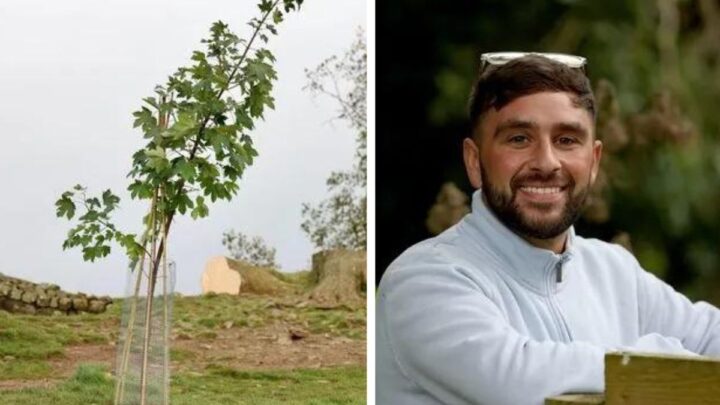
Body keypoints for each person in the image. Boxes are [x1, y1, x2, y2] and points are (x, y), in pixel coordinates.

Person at [375, 53, 720, 405]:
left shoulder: (613, 271)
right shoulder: (423, 280)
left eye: (567, 140)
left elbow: (710, 335)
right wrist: (660, 360)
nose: (546, 163)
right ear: (474, 161)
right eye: (519, 139)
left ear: (594, 161)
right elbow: (517, 383)